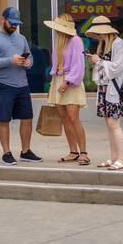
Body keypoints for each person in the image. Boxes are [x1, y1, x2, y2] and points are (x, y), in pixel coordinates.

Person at [0, 6, 40, 165]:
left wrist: (28, 62)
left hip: (22, 84)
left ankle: (25, 151)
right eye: (11, 23)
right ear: (3, 20)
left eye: (16, 23)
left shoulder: (21, 38)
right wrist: (10, 60)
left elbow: (31, 57)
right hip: (2, 85)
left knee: (27, 118)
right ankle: (6, 153)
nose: (14, 26)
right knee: (4, 120)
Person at [45, 14, 88, 166]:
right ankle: (73, 152)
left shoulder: (76, 40)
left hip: (70, 82)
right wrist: (55, 83)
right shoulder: (59, 42)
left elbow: (79, 65)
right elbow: (55, 65)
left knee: (74, 118)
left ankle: (83, 153)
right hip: (58, 80)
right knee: (64, 119)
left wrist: (68, 82)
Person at [86, 16, 123, 170]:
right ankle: (113, 157)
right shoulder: (103, 45)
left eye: (98, 33)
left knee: (114, 124)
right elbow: (103, 69)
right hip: (105, 89)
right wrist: (96, 62)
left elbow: (118, 67)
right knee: (109, 124)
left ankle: (122, 158)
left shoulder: (118, 43)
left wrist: (99, 61)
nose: (98, 36)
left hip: (114, 90)